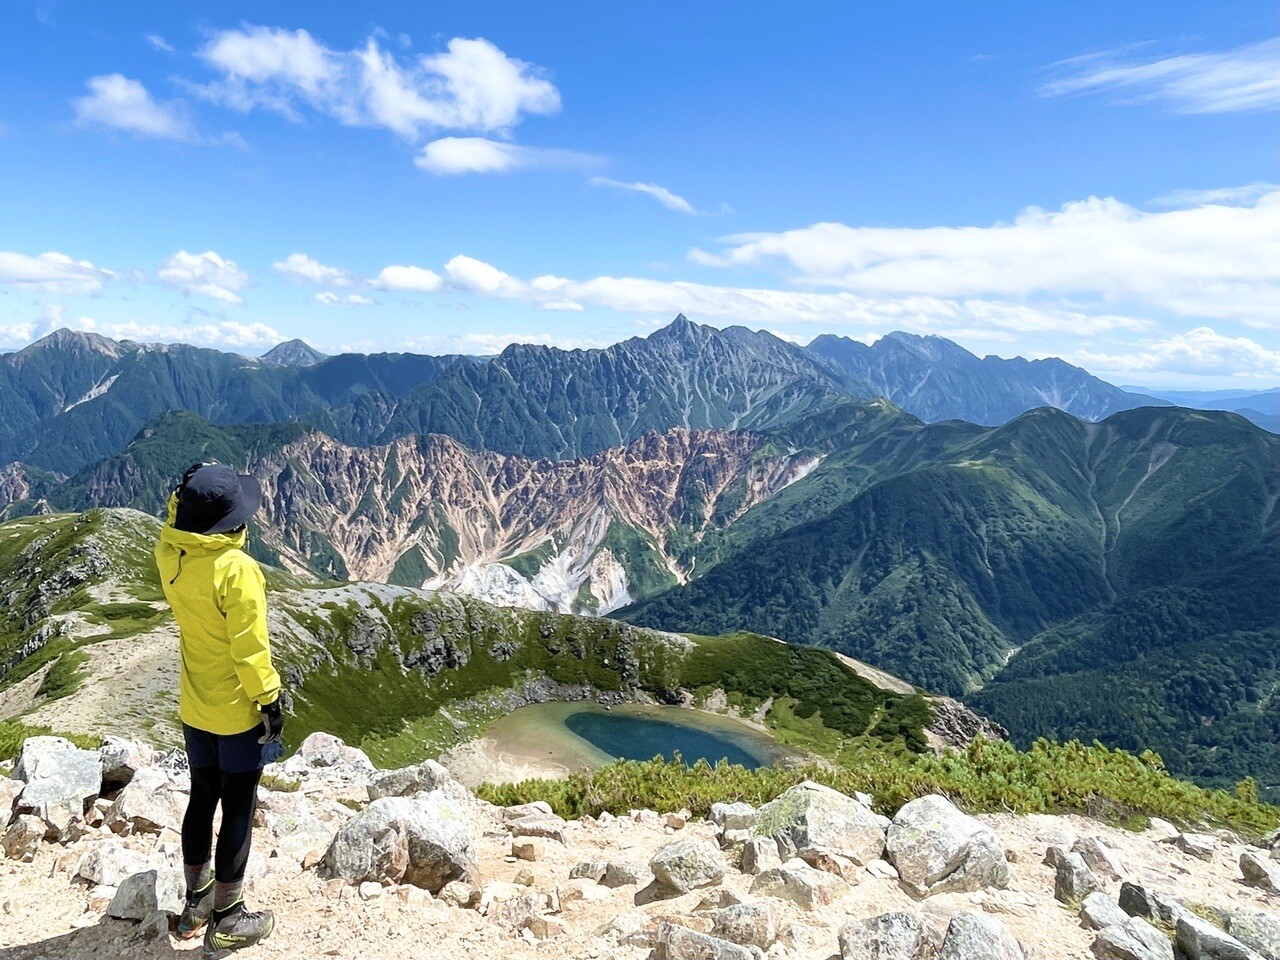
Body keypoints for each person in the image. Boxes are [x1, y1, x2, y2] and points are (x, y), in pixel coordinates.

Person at [154, 462, 284, 958]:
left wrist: (184, 491)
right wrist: (270, 701)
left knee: (201, 796)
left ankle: (196, 903)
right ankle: (229, 920)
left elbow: (175, 520)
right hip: (235, 713)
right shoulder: (237, 570)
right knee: (239, 806)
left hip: (194, 705)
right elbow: (250, 651)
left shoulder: (170, 554)